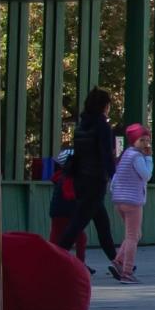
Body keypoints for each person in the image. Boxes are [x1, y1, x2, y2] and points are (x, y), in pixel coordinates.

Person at [52, 88, 122, 274]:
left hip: (81, 180)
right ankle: (53, 258)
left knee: (102, 222)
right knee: (77, 224)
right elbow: (106, 154)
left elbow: (80, 155)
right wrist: (113, 176)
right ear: (104, 106)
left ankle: (116, 261)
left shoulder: (81, 126)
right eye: (108, 105)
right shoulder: (102, 127)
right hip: (96, 181)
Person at [110, 125, 152, 282]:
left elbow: (115, 179)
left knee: (134, 234)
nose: (146, 144)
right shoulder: (137, 157)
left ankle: (118, 261)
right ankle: (127, 272)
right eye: (142, 140)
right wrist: (149, 159)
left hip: (120, 200)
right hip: (133, 201)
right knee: (133, 237)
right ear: (134, 141)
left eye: (148, 140)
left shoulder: (125, 155)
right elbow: (146, 175)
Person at [48, 128, 86, 263]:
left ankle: (50, 261)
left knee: (55, 237)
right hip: (71, 211)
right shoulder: (75, 178)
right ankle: (80, 263)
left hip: (56, 211)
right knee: (80, 237)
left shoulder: (59, 177)